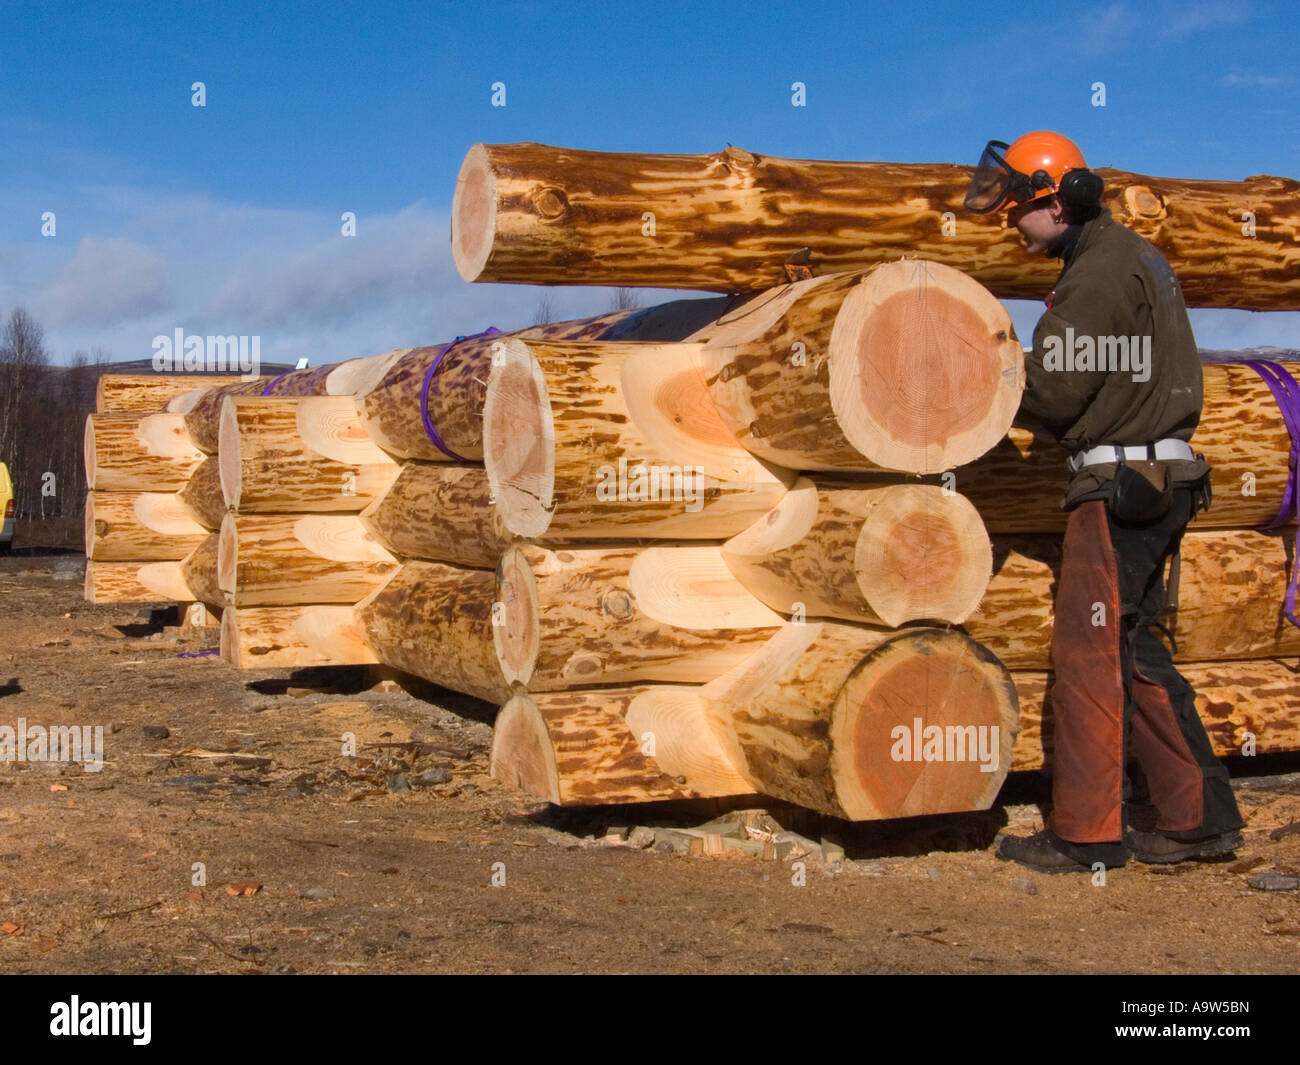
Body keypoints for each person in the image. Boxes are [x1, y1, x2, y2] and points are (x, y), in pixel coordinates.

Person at [963, 131, 1245, 872]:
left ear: (1057, 201)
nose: (1011, 224)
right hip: (1164, 479)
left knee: (1089, 657)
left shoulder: (1095, 274)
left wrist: (974, 380)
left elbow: (1054, 391)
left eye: (1017, 209)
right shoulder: (1133, 256)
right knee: (1137, 650)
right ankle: (1199, 817)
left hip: (1119, 486)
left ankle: (1085, 832)